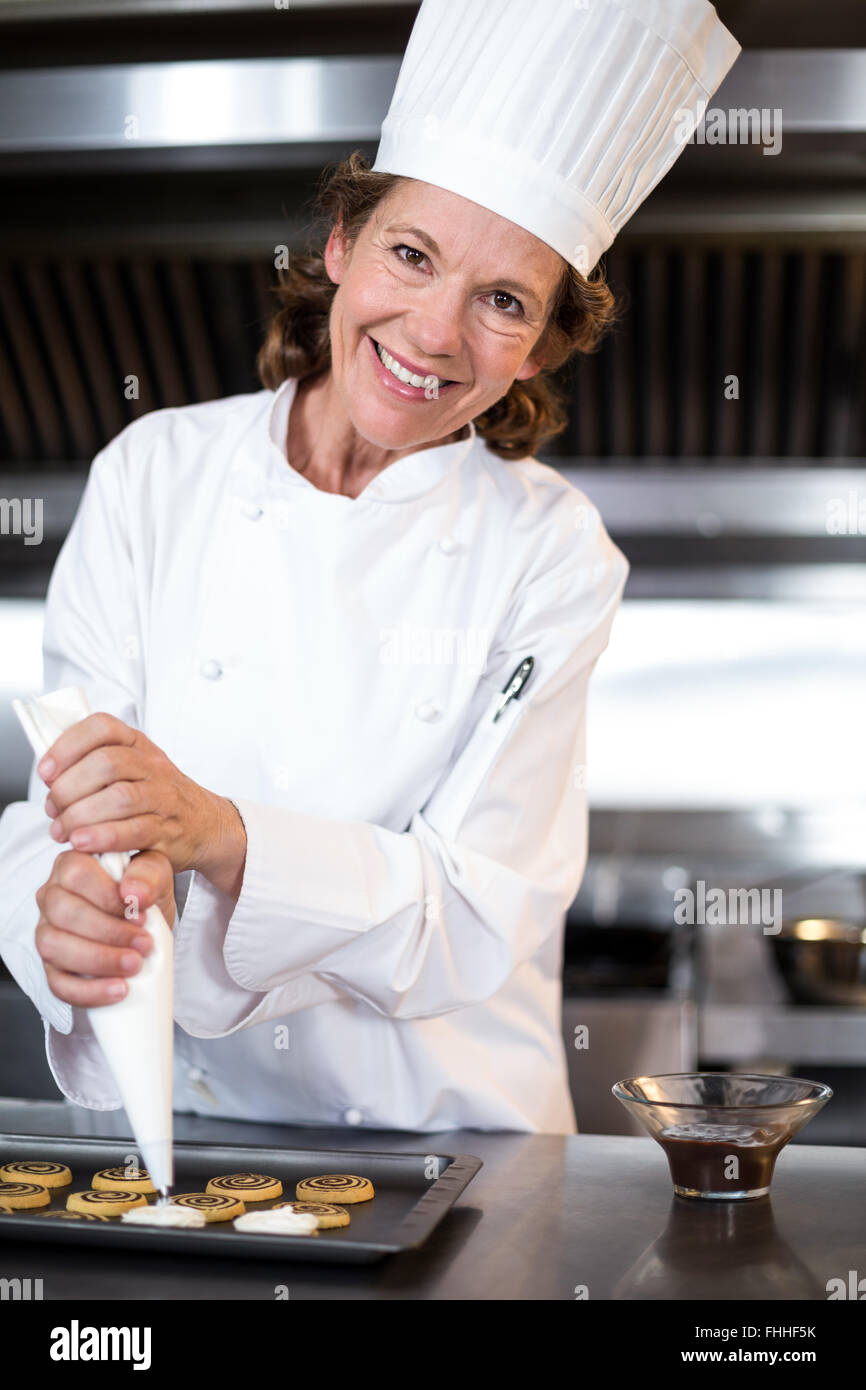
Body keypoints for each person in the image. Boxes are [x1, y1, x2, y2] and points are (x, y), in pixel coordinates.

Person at [0, 0, 740, 1132]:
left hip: (458, 1155)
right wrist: (59, 906)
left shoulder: (550, 551)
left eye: (500, 302)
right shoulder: (153, 472)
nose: (434, 334)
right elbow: (65, 804)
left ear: (539, 345)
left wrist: (220, 834)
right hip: (192, 1139)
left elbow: (472, 912)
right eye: (410, 254)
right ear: (340, 247)